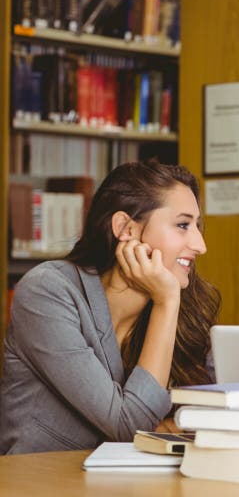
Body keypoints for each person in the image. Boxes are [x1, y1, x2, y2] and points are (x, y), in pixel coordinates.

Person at [0, 162, 221, 454]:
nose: (200, 245)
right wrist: (166, 302)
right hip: (42, 480)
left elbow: (220, 417)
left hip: (136, 482)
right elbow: (129, 426)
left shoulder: (190, 307)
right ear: (126, 228)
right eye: (183, 225)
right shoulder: (46, 292)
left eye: (197, 226)